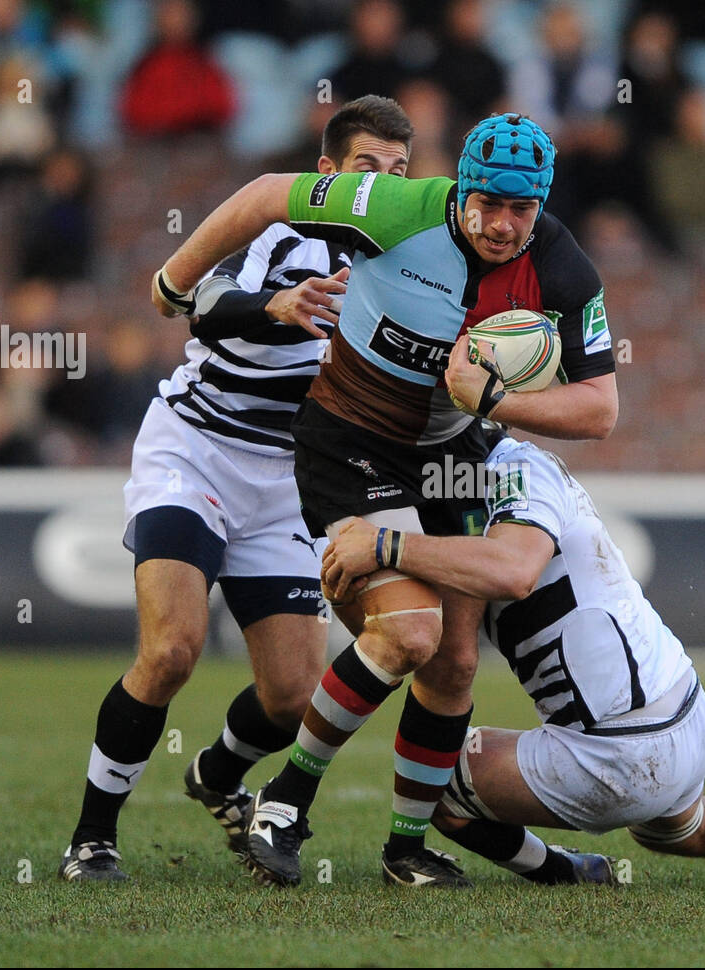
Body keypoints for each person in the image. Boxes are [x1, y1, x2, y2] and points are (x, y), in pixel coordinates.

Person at [151, 112, 618, 888]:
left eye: (522, 209)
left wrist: (494, 398)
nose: (503, 224)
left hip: (453, 455)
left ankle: (405, 846)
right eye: (488, 204)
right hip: (352, 442)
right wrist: (174, 280)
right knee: (408, 633)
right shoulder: (394, 208)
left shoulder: (563, 269)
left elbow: (600, 410)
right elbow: (268, 194)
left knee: (458, 661)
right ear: (461, 188)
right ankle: (285, 801)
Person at [321, 434, 705, 888]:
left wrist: (386, 545)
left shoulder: (511, 473)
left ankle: (567, 871)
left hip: (612, 755)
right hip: (683, 712)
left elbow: (486, 606)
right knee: (684, 824)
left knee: (431, 778)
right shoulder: (518, 476)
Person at [58, 96, 414, 882]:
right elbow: (201, 308)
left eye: (398, 172)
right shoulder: (284, 230)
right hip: (198, 451)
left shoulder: (411, 266)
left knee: (292, 698)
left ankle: (216, 775)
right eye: (366, 168)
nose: (383, 186)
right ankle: (91, 838)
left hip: (288, 481)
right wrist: (279, 305)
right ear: (328, 173)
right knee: (173, 650)